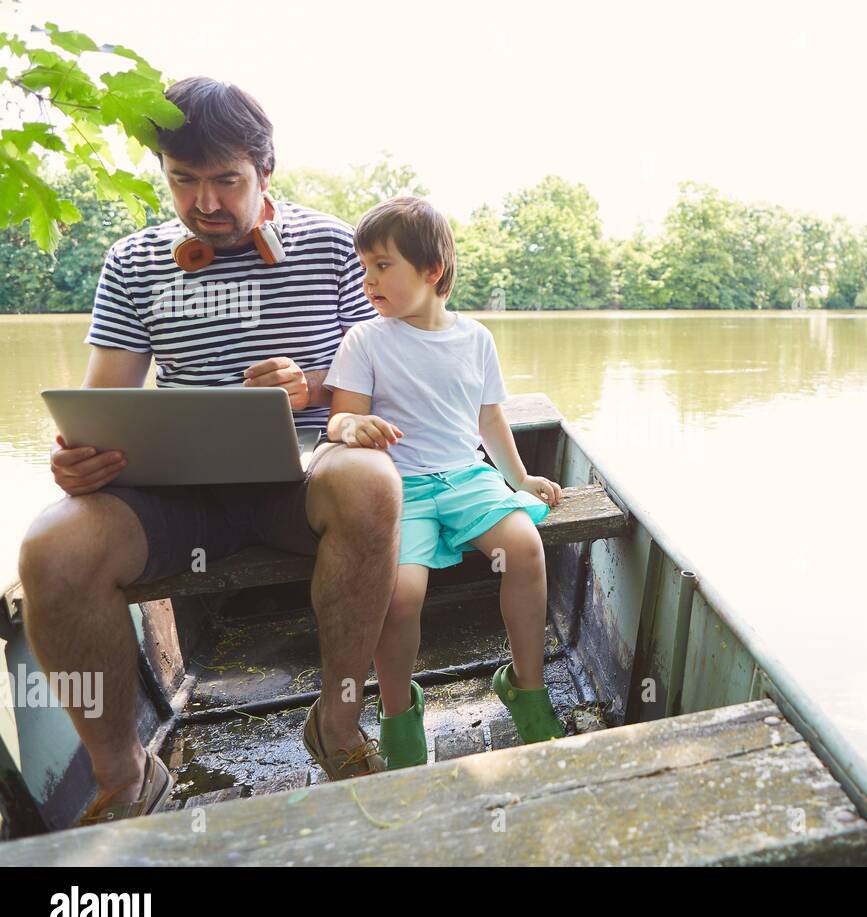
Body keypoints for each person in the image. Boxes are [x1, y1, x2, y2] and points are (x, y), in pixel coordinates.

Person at [18, 77, 399, 827]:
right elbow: (104, 406)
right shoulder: (132, 262)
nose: (206, 203)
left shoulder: (333, 247)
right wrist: (77, 461)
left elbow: (388, 388)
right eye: (183, 181)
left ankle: (338, 724)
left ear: (266, 172)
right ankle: (125, 777)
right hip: (175, 496)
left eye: (226, 180)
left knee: (372, 483)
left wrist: (315, 385)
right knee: (51, 545)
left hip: (303, 476)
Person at [324, 196, 566, 769]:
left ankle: (526, 688)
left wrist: (520, 478)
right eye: (364, 267)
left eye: (383, 266)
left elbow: (488, 420)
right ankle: (397, 712)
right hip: (397, 487)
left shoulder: (475, 338)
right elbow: (339, 419)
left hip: (466, 477)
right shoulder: (365, 340)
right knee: (401, 594)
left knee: (524, 548)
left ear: (432, 271)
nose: (368, 280)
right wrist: (352, 424)